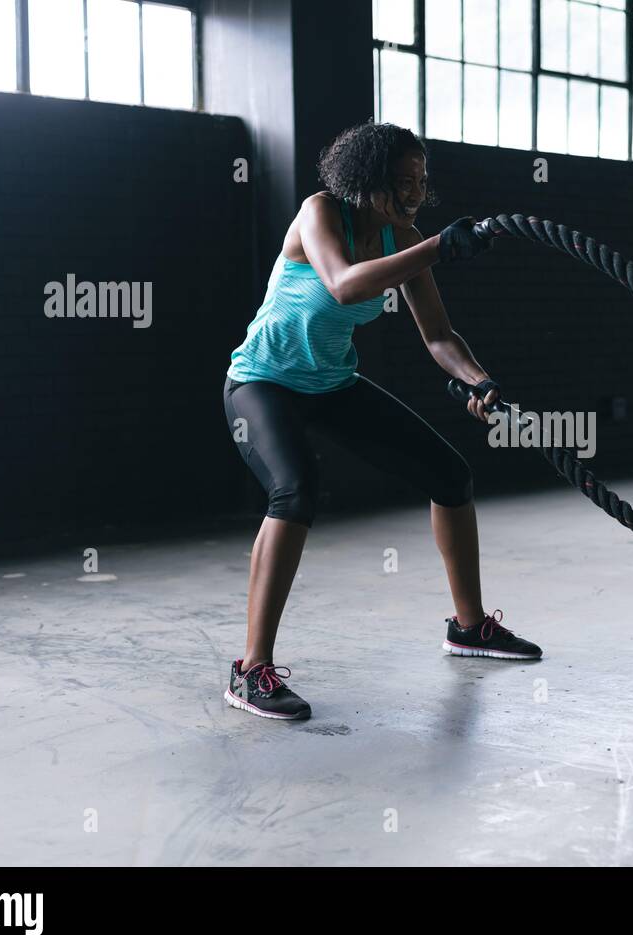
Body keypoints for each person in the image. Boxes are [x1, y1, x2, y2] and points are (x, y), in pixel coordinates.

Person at [221, 121, 542, 720]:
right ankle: (250, 670)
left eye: (421, 180)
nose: (414, 191)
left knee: (450, 475)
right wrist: (440, 246)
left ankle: (469, 628)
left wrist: (481, 381)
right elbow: (343, 286)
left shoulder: (406, 239)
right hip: (261, 382)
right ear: (364, 179)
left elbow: (440, 336)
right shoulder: (319, 212)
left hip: (332, 384)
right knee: (295, 491)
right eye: (402, 181)